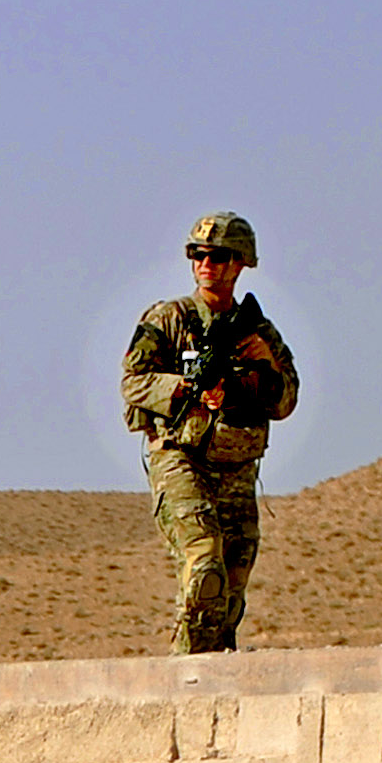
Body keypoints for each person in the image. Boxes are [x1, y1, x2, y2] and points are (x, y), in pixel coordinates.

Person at [119, 211, 301, 654]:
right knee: (204, 567)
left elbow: (286, 401)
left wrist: (264, 365)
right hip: (182, 459)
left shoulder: (259, 331)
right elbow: (133, 382)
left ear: (239, 264)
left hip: (237, 469)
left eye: (217, 256)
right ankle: (185, 674)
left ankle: (213, 672)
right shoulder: (168, 320)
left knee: (232, 589)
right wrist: (188, 391)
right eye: (197, 255)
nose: (205, 264)